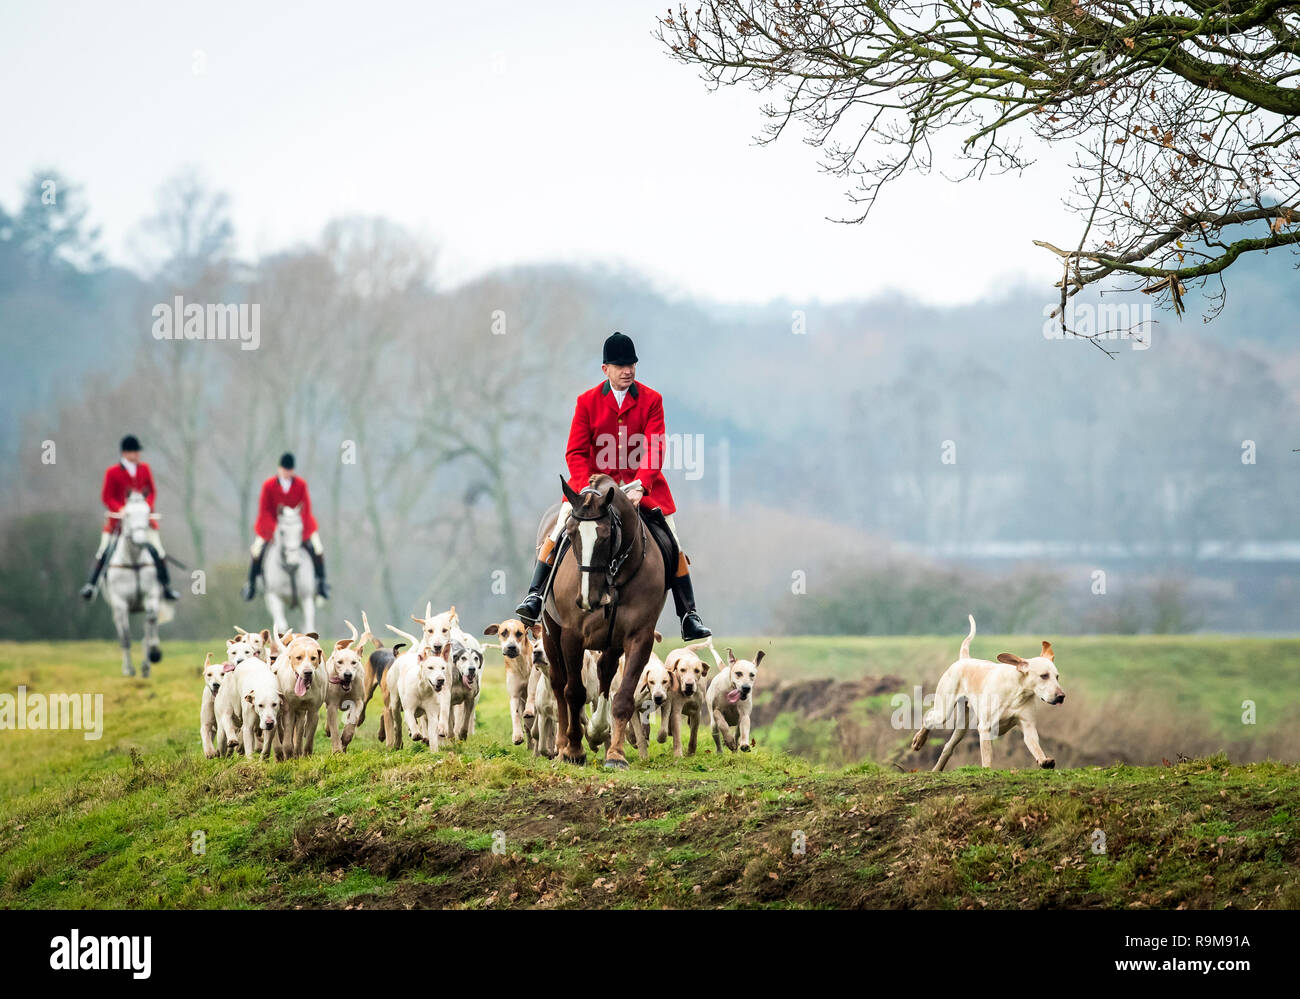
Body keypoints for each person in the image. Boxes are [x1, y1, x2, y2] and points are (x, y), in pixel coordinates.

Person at [515, 331, 711, 641]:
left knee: (674, 543)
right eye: (620, 366)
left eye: (631, 364)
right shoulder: (587, 402)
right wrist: (585, 490)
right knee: (557, 532)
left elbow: (655, 448)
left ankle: (688, 614)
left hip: (640, 490)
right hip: (593, 490)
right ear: (605, 369)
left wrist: (641, 486)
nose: (627, 371)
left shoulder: (652, 400)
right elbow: (575, 453)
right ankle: (535, 595)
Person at [80, 434, 180, 601]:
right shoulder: (112, 472)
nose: (138, 455)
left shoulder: (144, 469)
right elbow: (106, 496)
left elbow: (152, 491)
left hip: (143, 523)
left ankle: (166, 587)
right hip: (119, 522)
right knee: (103, 551)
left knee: (159, 551)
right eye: (135, 451)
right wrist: (120, 509)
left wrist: (146, 506)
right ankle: (92, 586)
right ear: (125, 453)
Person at [241, 452, 329, 601]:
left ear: (293, 470)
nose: (287, 473)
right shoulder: (268, 486)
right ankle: (251, 584)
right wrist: (275, 530)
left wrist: (300, 530)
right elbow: (265, 510)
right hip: (273, 527)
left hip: (298, 527)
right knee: (256, 550)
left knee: (318, 547)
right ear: (279, 469)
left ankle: (322, 583)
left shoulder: (301, 485)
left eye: (289, 470)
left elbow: (306, 508)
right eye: (284, 470)